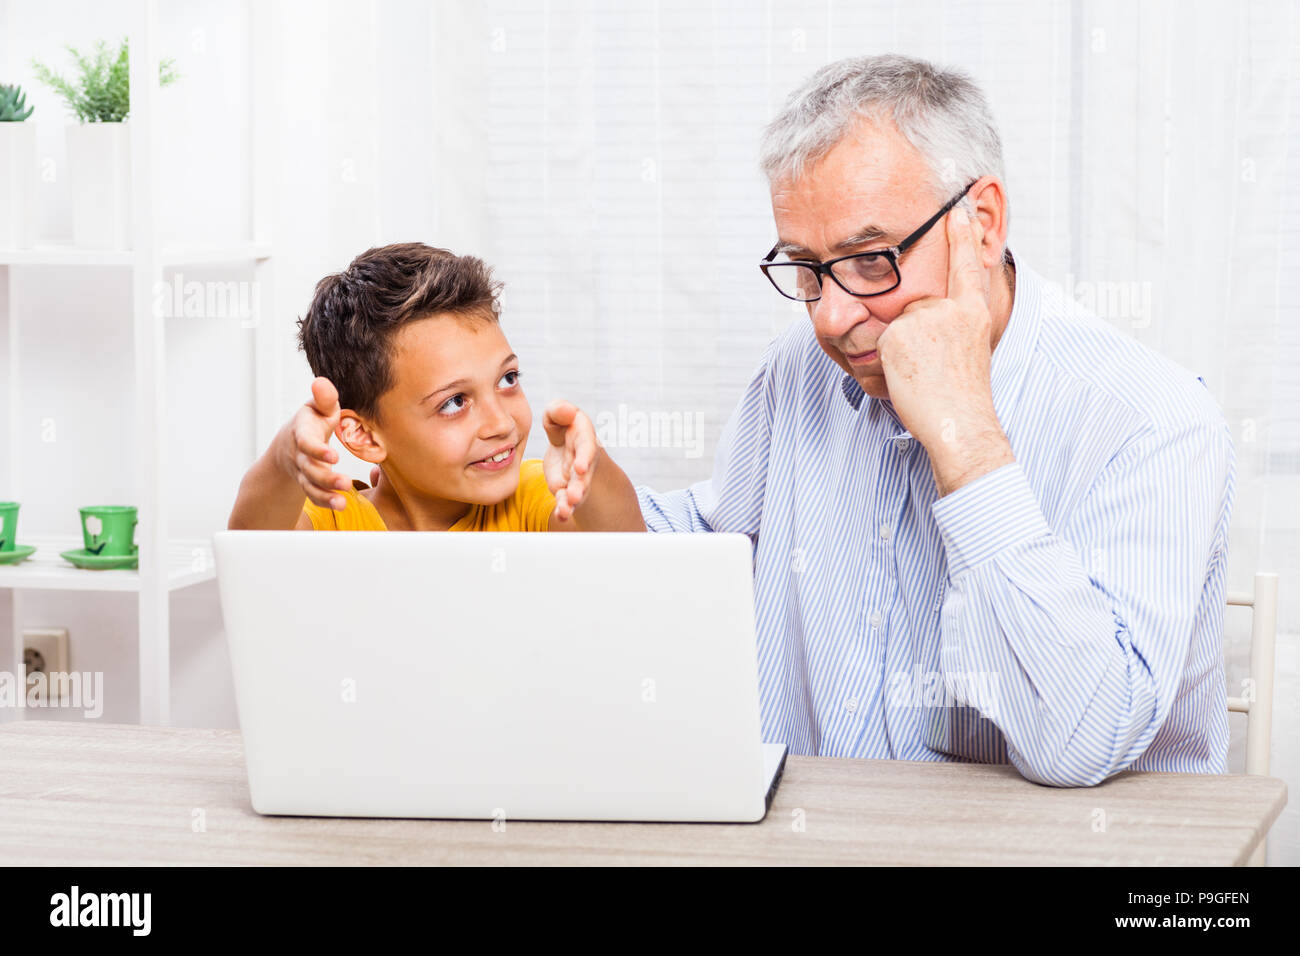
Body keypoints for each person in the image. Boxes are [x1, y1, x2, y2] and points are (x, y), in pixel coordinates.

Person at [636, 54, 1237, 787]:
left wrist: (964, 434)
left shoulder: (1154, 420)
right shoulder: (797, 369)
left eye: (869, 260)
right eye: (805, 267)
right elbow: (715, 549)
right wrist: (548, 490)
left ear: (980, 225)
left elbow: (1084, 740)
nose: (831, 316)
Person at [228, 243, 645, 534]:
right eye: (455, 402)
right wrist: (286, 457)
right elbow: (252, 542)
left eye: (507, 380)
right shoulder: (335, 521)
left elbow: (623, 545)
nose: (501, 423)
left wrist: (590, 474)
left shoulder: (529, 497)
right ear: (364, 435)